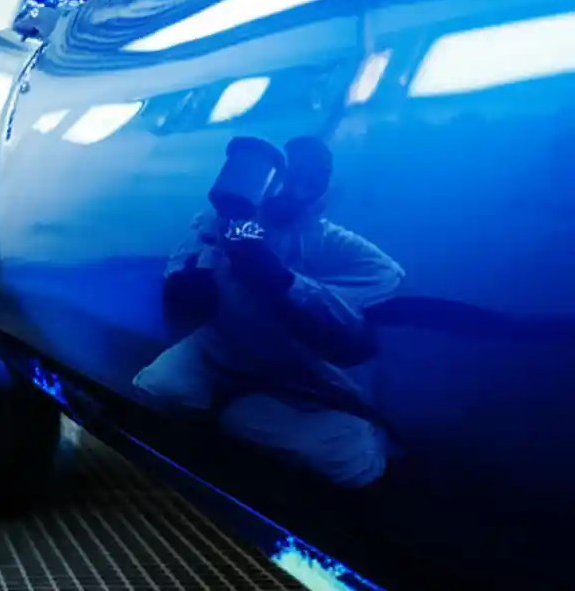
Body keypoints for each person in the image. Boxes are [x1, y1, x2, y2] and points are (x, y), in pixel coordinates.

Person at [133, 137, 405, 488]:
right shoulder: (228, 222)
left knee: (350, 459)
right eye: (293, 172)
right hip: (214, 349)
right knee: (158, 387)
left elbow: (385, 277)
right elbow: (210, 261)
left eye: (314, 174)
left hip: (292, 369)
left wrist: (286, 282)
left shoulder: (334, 243)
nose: (298, 186)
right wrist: (193, 274)